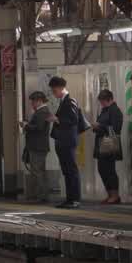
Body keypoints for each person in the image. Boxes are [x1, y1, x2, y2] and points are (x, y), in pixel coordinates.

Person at [48, 76, 83, 209]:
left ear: (61, 88)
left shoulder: (70, 101)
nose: (53, 92)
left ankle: (74, 199)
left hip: (68, 141)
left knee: (71, 170)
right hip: (63, 141)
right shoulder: (64, 101)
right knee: (67, 171)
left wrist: (57, 119)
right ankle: (70, 198)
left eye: (54, 89)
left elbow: (74, 119)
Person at [92, 89, 123, 204]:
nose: (102, 104)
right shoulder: (105, 110)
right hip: (102, 141)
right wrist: (96, 127)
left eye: (103, 101)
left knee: (109, 170)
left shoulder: (115, 110)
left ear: (109, 100)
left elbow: (115, 129)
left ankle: (115, 195)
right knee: (102, 169)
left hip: (110, 142)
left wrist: (100, 126)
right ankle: (109, 194)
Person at [22, 91, 52, 203]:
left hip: (37, 146)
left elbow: (38, 128)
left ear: (39, 101)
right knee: (40, 171)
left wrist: (26, 126)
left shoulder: (41, 112)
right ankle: (42, 195)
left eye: (33, 101)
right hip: (40, 146)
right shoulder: (42, 111)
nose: (32, 104)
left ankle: (41, 196)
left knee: (37, 171)